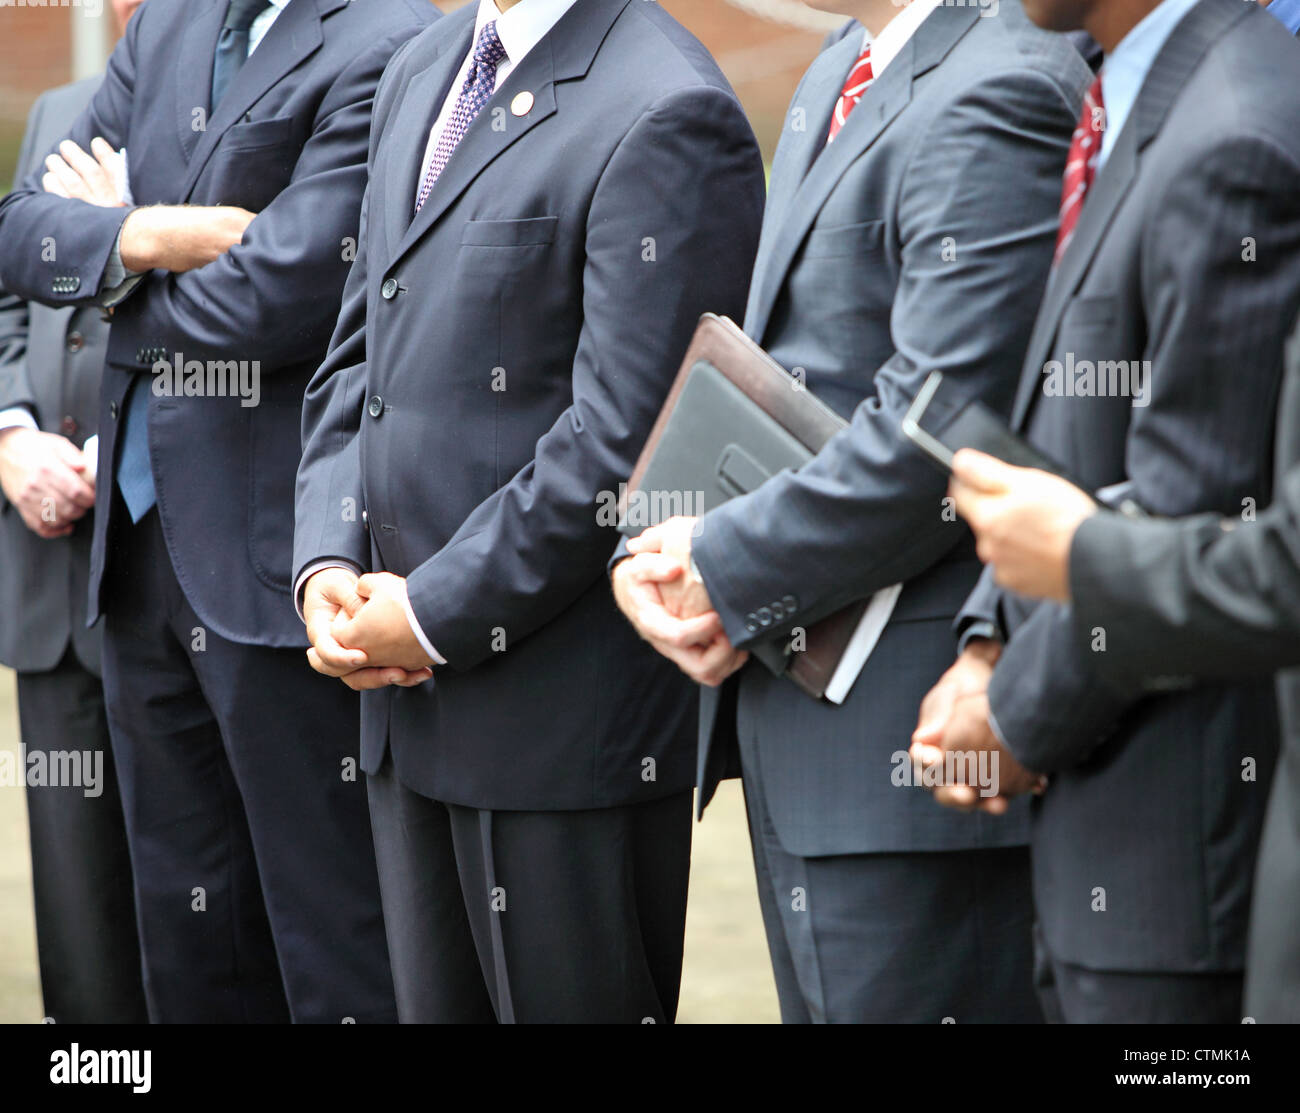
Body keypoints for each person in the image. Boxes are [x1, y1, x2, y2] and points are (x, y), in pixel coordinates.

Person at [611, 0, 1090, 1022]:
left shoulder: (1003, 77)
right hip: (801, 709)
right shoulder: (844, 65)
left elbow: (938, 431)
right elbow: (790, 371)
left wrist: (724, 566)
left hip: (911, 745)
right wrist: (661, 549)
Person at [293, 0, 765, 1023]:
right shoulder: (427, 66)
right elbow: (355, 357)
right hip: (396, 702)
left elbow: (623, 443)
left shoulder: (667, 105)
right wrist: (325, 563)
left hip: (561, 732)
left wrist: (425, 617)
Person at [0, 0, 435, 1023]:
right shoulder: (172, 25)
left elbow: (275, 298)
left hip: (286, 567)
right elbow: (20, 231)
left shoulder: (391, 34)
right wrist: (156, 233)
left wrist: (108, 250)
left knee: (329, 944)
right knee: (186, 950)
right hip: (137, 560)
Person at [910, 0, 1300, 1023]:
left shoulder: (1235, 138)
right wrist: (989, 642)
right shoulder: (1128, 94)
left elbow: (1195, 508)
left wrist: (1011, 716)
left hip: (1176, 855)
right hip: (1105, 833)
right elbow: (1078, 437)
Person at [0, 0, 147, 1025]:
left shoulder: (274, 115)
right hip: (52, 586)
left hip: (184, 580)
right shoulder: (58, 107)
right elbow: (9, 298)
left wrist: (137, 445)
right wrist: (13, 441)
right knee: (81, 924)